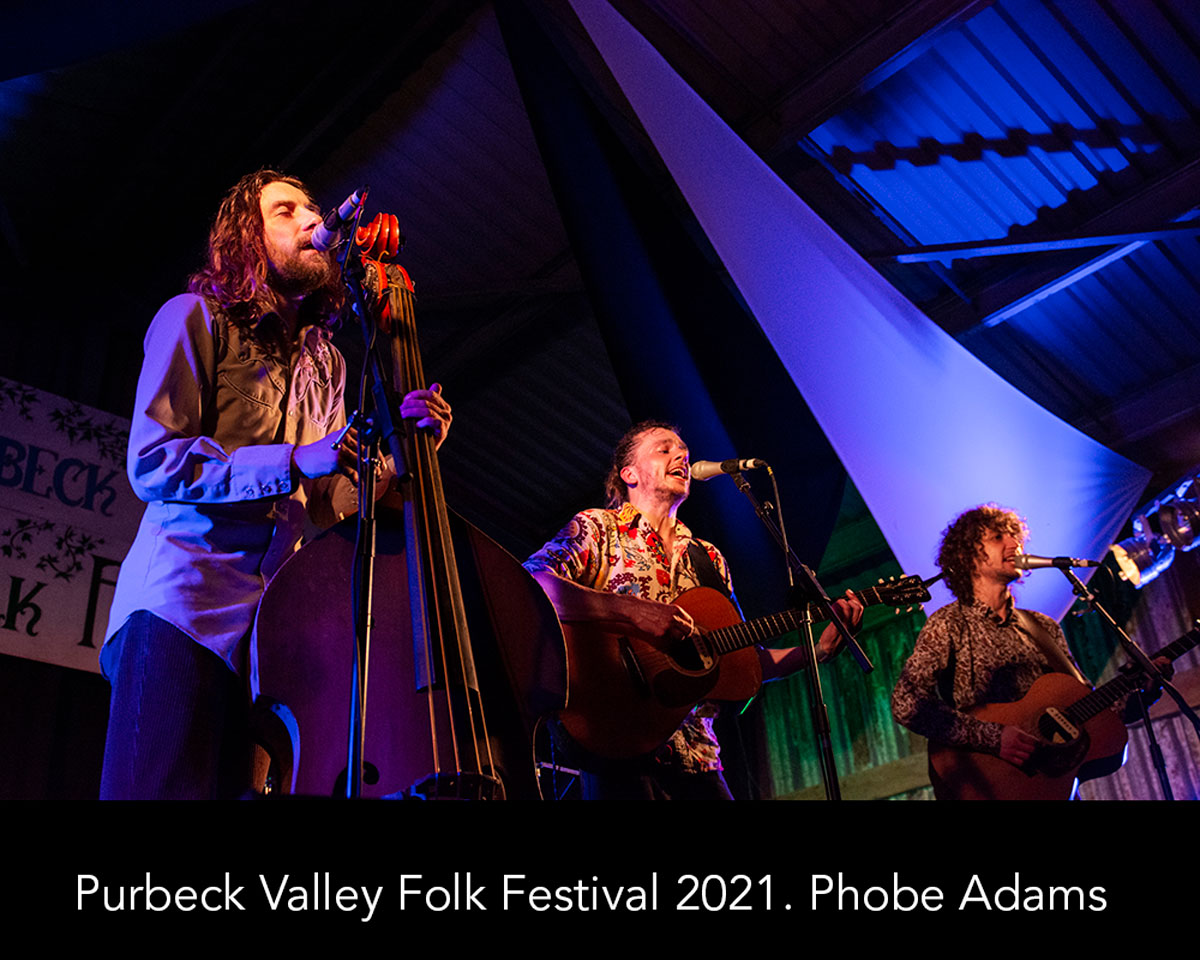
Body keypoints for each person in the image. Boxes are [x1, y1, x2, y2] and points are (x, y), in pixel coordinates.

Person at [99, 169, 452, 800]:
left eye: (311, 208)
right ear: (248, 238)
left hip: (269, 640)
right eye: (285, 211)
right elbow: (154, 461)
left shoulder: (329, 364)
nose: (311, 219)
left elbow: (328, 506)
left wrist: (403, 457)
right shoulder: (194, 317)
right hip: (182, 609)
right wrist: (293, 460)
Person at [524, 420, 862, 800]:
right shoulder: (598, 528)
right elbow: (532, 582)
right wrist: (631, 610)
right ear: (629, 473)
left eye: (683, 451)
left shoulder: (709, 559)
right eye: (664, 449)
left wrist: (816, 651)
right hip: (616, 736)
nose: (682, 455)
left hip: (697, 755)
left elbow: (744, 661)